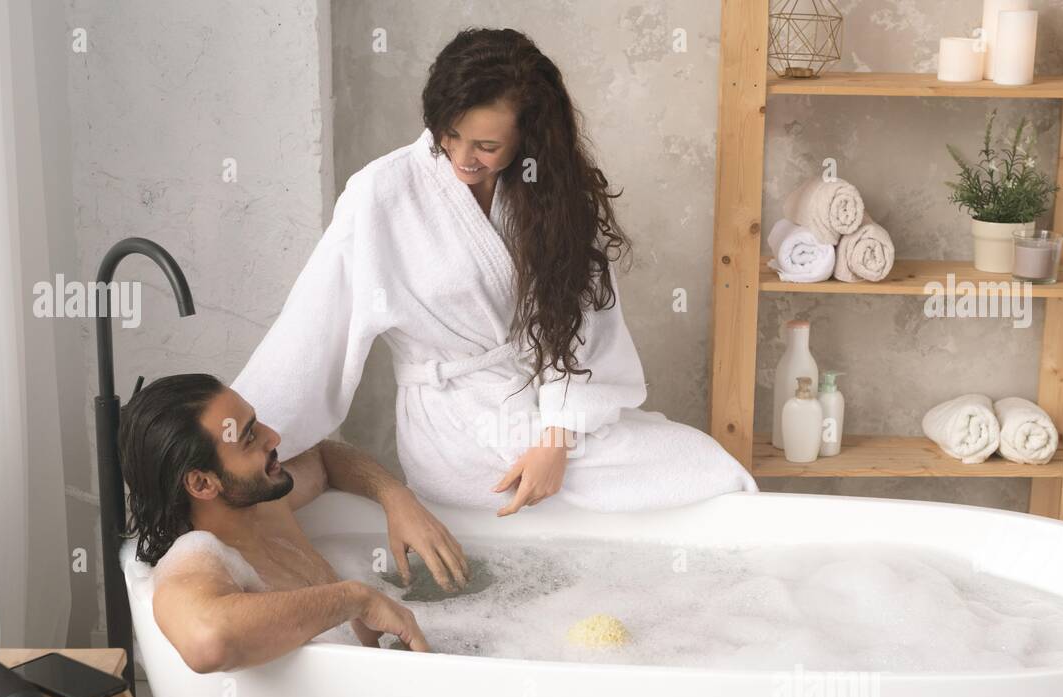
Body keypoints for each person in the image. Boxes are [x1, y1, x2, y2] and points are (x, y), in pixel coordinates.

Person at [231, 27, 757, 518]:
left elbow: (582, 327)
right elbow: (314, 327)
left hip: (553, 412)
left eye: (487, 146)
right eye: (451, 134)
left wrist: (557, 437)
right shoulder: (381, 194)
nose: (463, 157)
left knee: (709, 469)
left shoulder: (551, 195)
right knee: (706, 480)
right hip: (458, 433)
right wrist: (230, 442)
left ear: (530, 139)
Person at [118, 373, 470, 673]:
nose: (274, 438)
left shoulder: (265, 506)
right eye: (250, 437)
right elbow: (208, 641)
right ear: (202, 484)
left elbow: (325, 459)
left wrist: (395, 497)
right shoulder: (196, 565)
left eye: (257, 423)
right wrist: (355, 599)